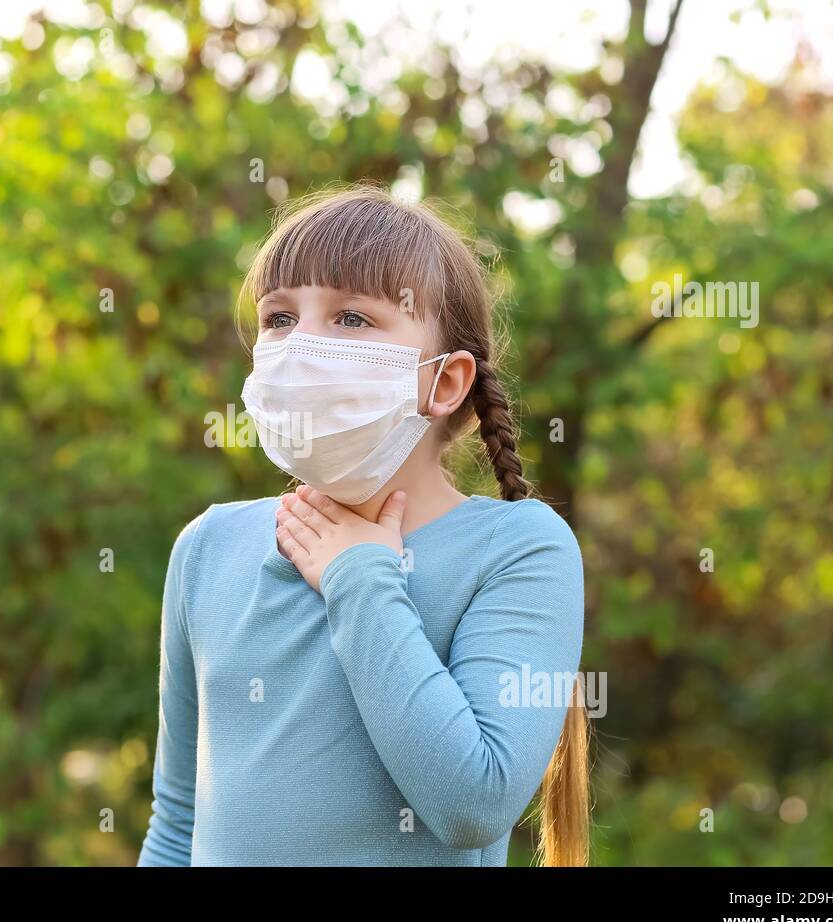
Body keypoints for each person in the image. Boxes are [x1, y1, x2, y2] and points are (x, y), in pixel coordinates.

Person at [138, 183, 589, 866]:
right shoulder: (209, 547)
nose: (302, 346)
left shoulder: (519, 550)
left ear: (445, 384)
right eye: (280, 317)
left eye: (352, 319)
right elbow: (176, 824)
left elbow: (474, 801)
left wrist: (360, 578)